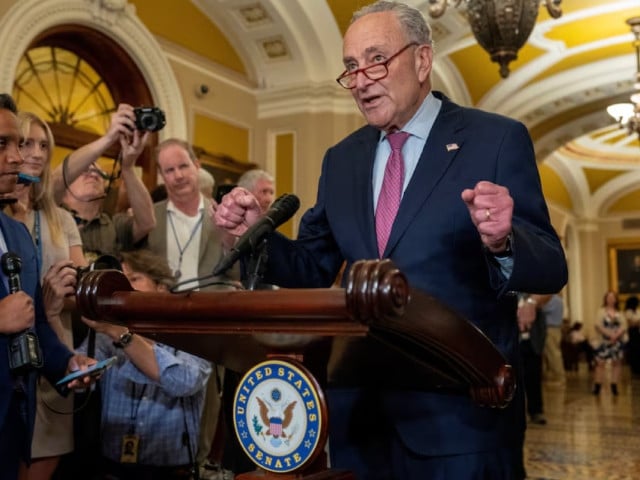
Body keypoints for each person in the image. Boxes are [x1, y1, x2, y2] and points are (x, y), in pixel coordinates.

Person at [213, 2, 567, 478]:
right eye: (351, 67)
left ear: (422, 60)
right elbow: (311, 266)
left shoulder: (495, 140)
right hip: (360, 417)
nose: (361, 79)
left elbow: (550, 267)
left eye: (376, 60)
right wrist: (255, 235)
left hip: (461, 419)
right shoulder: (342, 159)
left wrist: (505, 241)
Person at [0, 92, 96, 480]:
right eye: (1, 145)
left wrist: (67, 363)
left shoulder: (18, 235)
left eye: (17, 144)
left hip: (13, 424)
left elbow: (36, 321)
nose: (17, 158)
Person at [60, 249, 212, 480]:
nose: (123, 289)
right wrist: (79, 368)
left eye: (133, 279)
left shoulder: (192, 332)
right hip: (112, 468)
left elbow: (184, 381)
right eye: (118, 280)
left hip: (172, 471)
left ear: (161, 287)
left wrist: (121, 334)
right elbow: (80, 372)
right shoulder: (106, 333)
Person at [143, 138, 239, 479]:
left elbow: (236, 276)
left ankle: (200, 468)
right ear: (161, 176)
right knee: (159, 415)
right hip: (158, 332)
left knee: (207, 414)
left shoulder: (222, 216)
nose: (178, 175)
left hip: (209, 330)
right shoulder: (148, 220)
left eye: (183, 166)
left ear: (197, 167)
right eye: (169, 170)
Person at [52, 103, 156, 263]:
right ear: (64, 192)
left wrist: (127, 167)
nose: (92, 173)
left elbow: (147, 222)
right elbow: (56, 180)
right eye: (83, 171)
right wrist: (109, 138)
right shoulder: (51, 218)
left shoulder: (115, 226)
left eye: (97, 172)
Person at [592, 290, 627, 396]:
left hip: (617, 342)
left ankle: (614, 385)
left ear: (616, 299)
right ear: (606, 299)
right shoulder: (601, 311)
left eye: (613, 297)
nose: (611, 299)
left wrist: (616, 336)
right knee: (600, 363)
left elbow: (624, 326)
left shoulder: (620, 313)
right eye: (609, 297)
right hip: (604, 341)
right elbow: (598, 325)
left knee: (616, 363)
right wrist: (609, 334)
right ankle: (598, 386)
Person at [624, 295, 640, 376]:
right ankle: (634, 368)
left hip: (638, 332)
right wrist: (637, 322)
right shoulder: (628, 312)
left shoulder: (637, 311)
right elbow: (630, 323)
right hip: (632, 332)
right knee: (634, 350)